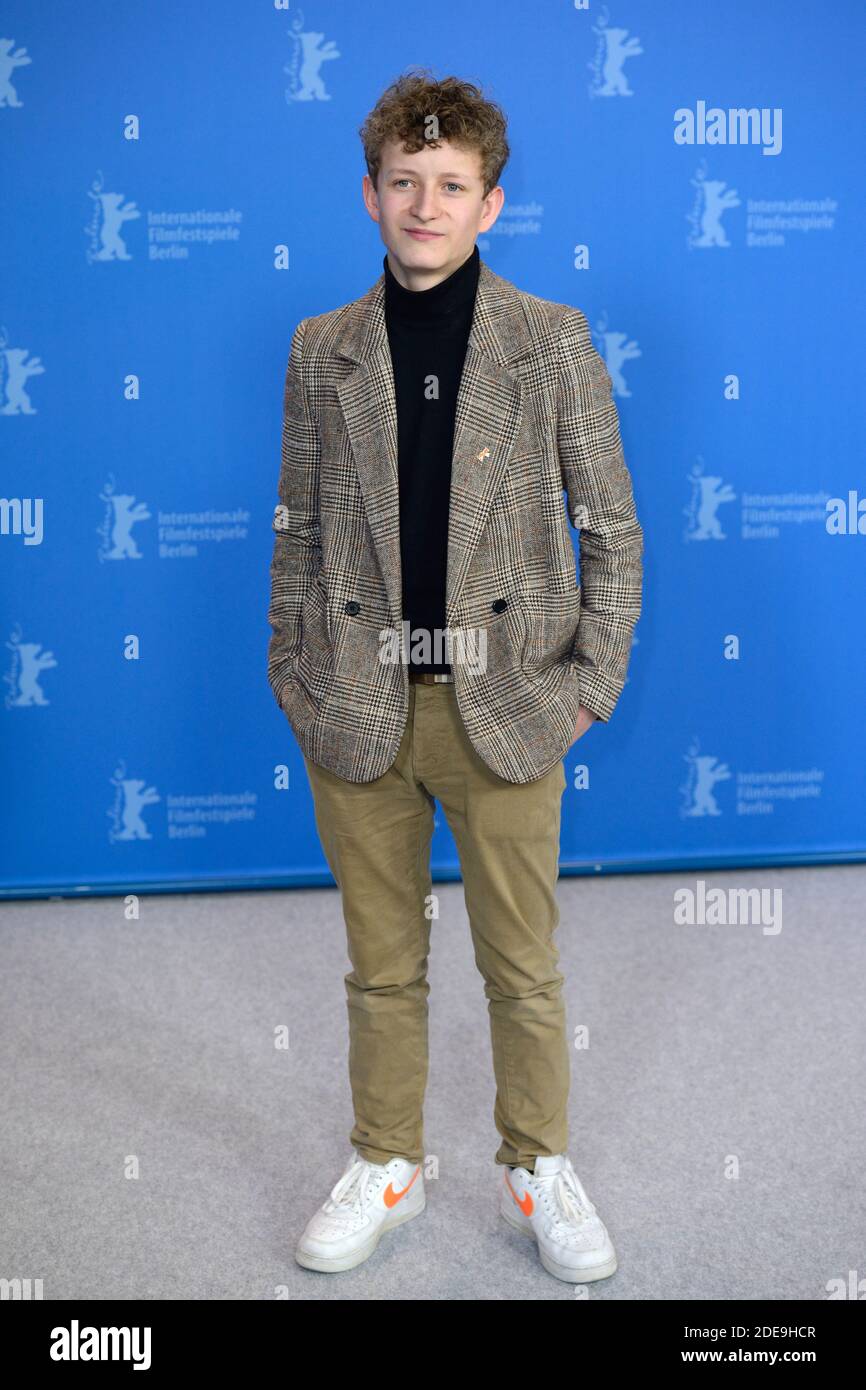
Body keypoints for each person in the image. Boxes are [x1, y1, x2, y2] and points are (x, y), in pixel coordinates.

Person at [267, 69, 643, 1284]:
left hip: (510, 701)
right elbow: (297, 528)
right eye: (402, 183)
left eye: (450, 186)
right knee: (380, 963)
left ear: (489, 204)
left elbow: (614, 529)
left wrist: (589, 683)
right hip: (359, 700)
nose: (423, 205)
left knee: (521, 965)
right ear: (368, 194)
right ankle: (387, 1159)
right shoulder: (320, 349)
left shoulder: (550, 342)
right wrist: (294, 672)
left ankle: (536, 1165)